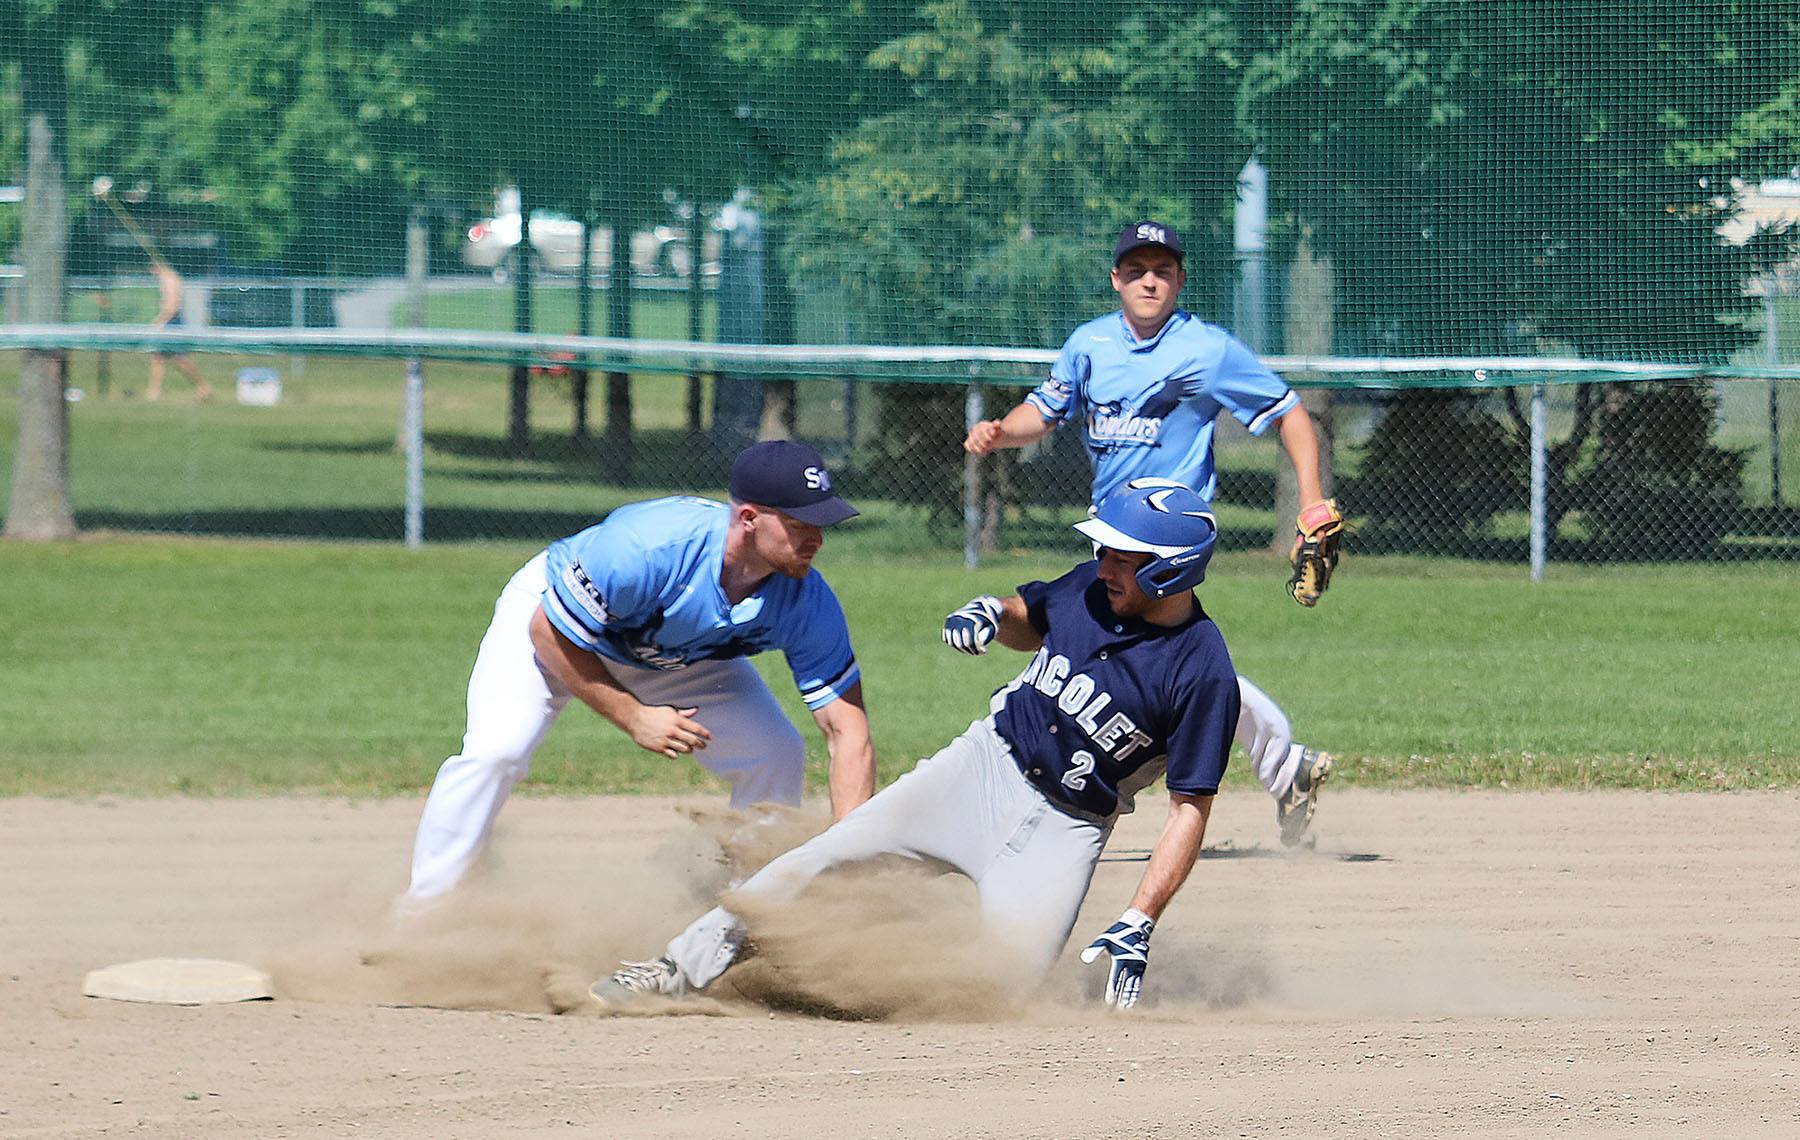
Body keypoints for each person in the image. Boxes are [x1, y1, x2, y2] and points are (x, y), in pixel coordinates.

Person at [590, 478, 1235, 1012]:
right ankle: (674, 968)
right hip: (980, 770)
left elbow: (1189, 810)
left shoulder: (1203, 672)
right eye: (1103, 550)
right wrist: (992, 612)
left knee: (999, 993)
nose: (1104, 564)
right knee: (824, 857)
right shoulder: (1092, 589)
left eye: (1124, 556)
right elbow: (1030, 617)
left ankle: (827, 975)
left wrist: (1141, 916)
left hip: (1067, 831)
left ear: (1170, 569)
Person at [963, 220, 1335, 845]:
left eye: (1162, 269)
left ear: (1180, 279)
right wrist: (1004, 429)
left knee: (1100, 651)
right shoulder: (1090, 345)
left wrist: (1311, 499)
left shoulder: (1207, 350)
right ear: (1116, 279)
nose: (1150, 280)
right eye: (1136, 269)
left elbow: (1291, 414)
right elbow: (1045, 411)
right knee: (1159, 664)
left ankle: (1018, 777)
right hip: (1110, 534)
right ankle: (1285, 765)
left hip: (1169, 538)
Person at [402, 440, 877, 909]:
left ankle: (740, 913)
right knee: (496, 752)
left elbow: (847, 731)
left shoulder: (807, 601)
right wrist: (633, 716)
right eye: (799, 524)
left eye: (822, 524)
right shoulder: (649, 547)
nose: (815, 539)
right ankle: (426, 911)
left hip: (671, 653)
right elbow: (548, 634)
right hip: (557, 620)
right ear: (749, 519)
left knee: (775, 753)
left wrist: (846, 856)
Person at [146, 262, 213, 402]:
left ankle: (203, 387)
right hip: (169, 321)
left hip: (173, 322)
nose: (150, 270)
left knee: (180, 360)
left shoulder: (170, 279)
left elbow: (173, 306)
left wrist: (160, 322)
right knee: (158, 357)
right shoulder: (165, 278)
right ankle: (154, 391)